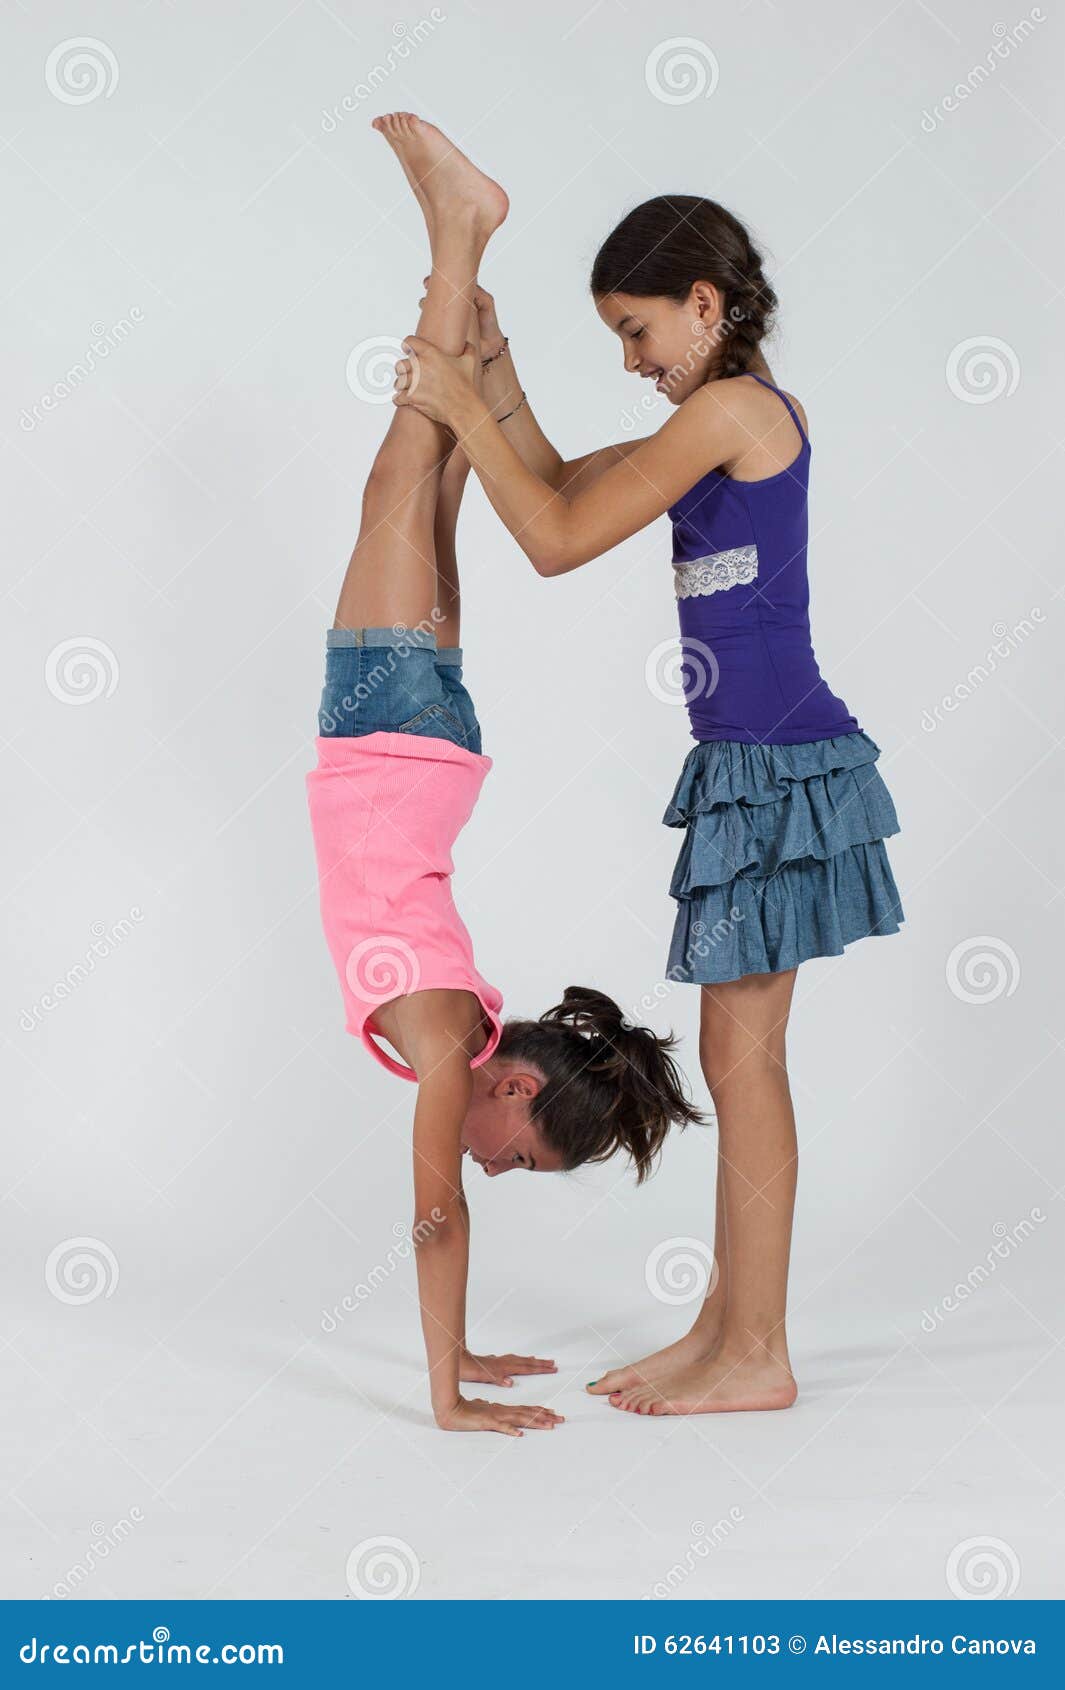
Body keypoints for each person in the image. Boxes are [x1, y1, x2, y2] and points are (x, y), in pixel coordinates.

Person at [393, 129, 904, 1416]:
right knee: (745, 1064)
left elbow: (556, 540)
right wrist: (495, 380)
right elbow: (562, 481)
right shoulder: (714, 421)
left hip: (780, 765)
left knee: (748, 1068)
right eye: (615, 339)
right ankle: (725, 1327)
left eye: (639, 331)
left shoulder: (735, 409)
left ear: (707, 305)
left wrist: (455, 407)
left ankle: (757, 1354)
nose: (633, 362)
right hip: (755, 763)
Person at [306, 114, 702, 1437]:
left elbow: (441, 1208)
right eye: (517, 1152)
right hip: (386, 730)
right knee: (411, 461)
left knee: (416, 470)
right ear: (513, 1085)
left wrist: (469, 1349)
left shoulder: (457, 1027)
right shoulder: (436, 1046)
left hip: (422, 741)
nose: (490, 1166)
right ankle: (458, 228)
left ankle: (464, 271)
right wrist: (445, 1392)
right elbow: (432, 1211)